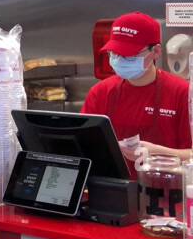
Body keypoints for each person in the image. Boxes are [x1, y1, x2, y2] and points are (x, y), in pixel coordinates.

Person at [82, 12, 192, 175]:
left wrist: (157, 152)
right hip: (112, 189)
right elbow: (83, 145)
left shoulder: (182, 93)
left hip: (166, 193)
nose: (119, 60)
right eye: (115, 54)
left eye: (129, 55)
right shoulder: (101, 92)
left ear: (156, 51)